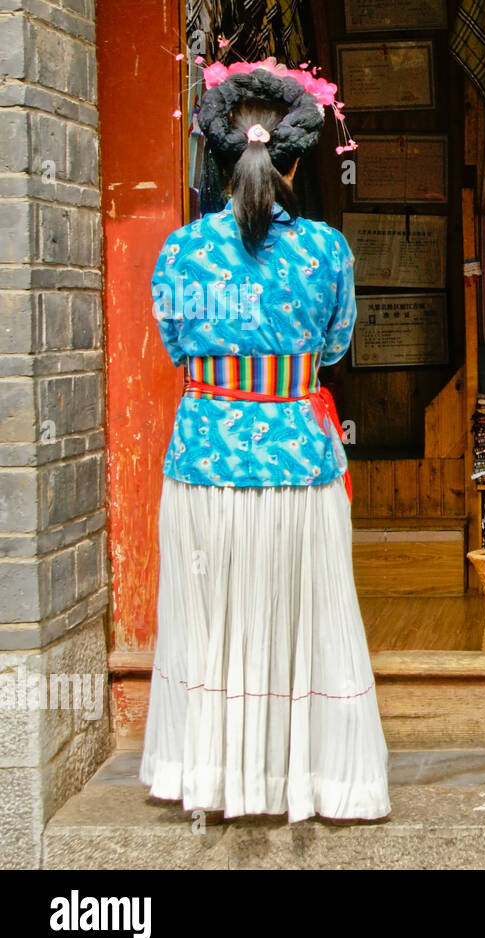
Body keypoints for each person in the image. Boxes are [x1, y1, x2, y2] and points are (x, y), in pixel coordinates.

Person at [139, 62, 390, 822]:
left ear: (221, 155)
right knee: (302, 624)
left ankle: (213, 779)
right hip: (296, 466)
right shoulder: (326, 253)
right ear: (296, 157)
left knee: (212, 626)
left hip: (203, 465)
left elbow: (177, 343)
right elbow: (337, 346)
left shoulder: (181, 251)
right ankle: (311, 782)